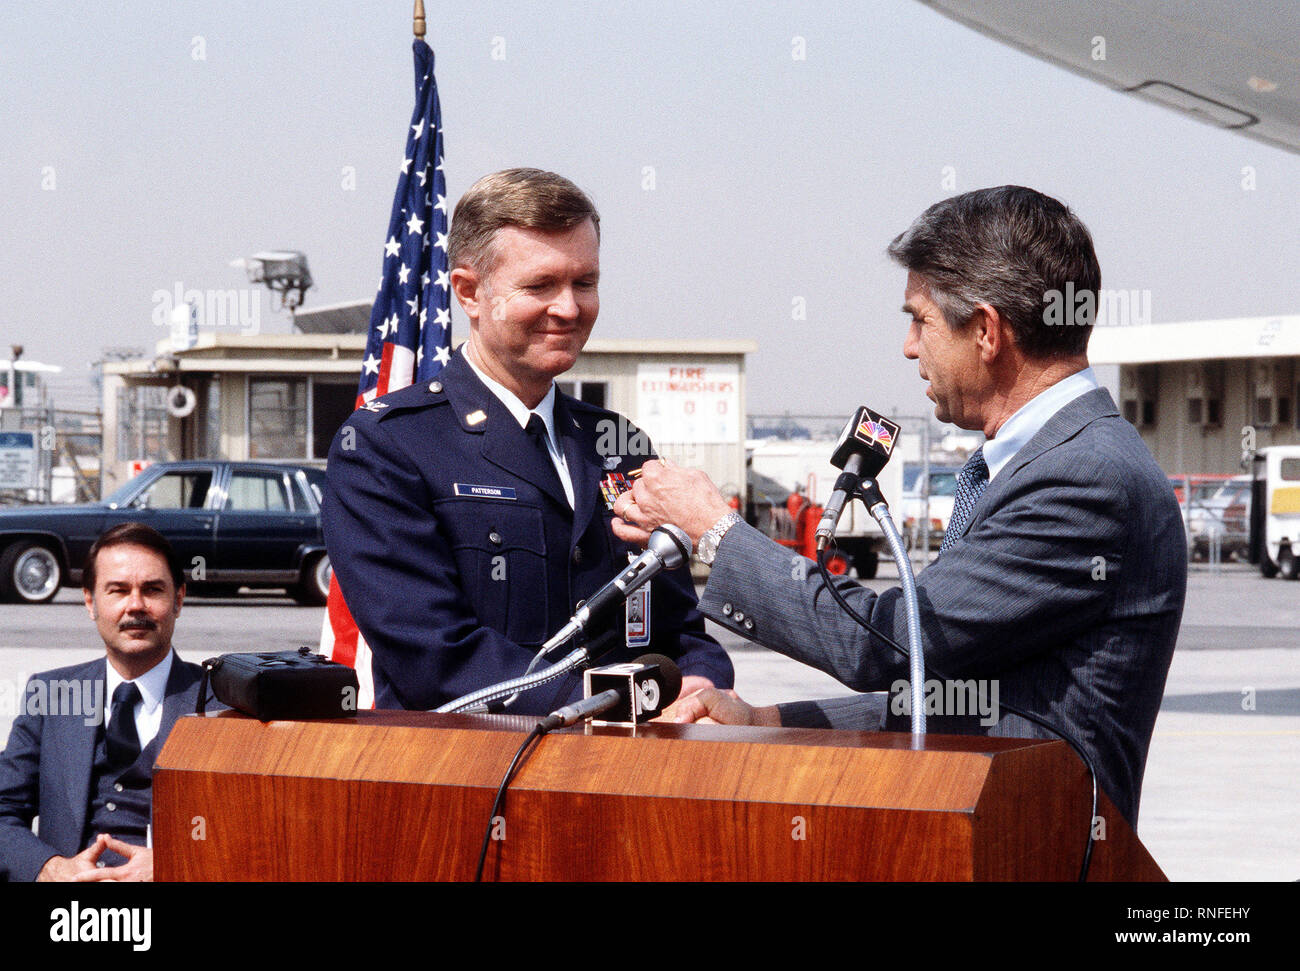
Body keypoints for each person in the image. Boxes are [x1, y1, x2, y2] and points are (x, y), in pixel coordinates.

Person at [612, 186, 1186, 827]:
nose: (908, 347)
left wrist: (714, 530)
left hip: (1033, 849)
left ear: (987, 331)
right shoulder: (1052, 460)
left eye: (921, 320)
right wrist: (767, 720)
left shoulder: (1082, 478)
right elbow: (965, 698)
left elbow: (892, 642)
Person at [323, 168, 733, 715]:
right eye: (540, 286)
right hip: (476, 781)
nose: (568, 308)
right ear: (469, 292)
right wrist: (619, 703)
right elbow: (436, 658)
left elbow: (680, 627)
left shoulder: (620, 444)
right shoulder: (386, 447)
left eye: (584, 283)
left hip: (631, 774)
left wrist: (701, 680)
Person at [0, 523, 207, 881]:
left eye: (153, 590)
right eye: (118, 590)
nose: (136, 605)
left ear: (178, 599)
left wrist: (177, 862)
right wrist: (50, 870)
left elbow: (265, 822)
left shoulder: (221, 702)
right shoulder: (51, 695)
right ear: (90, 602)